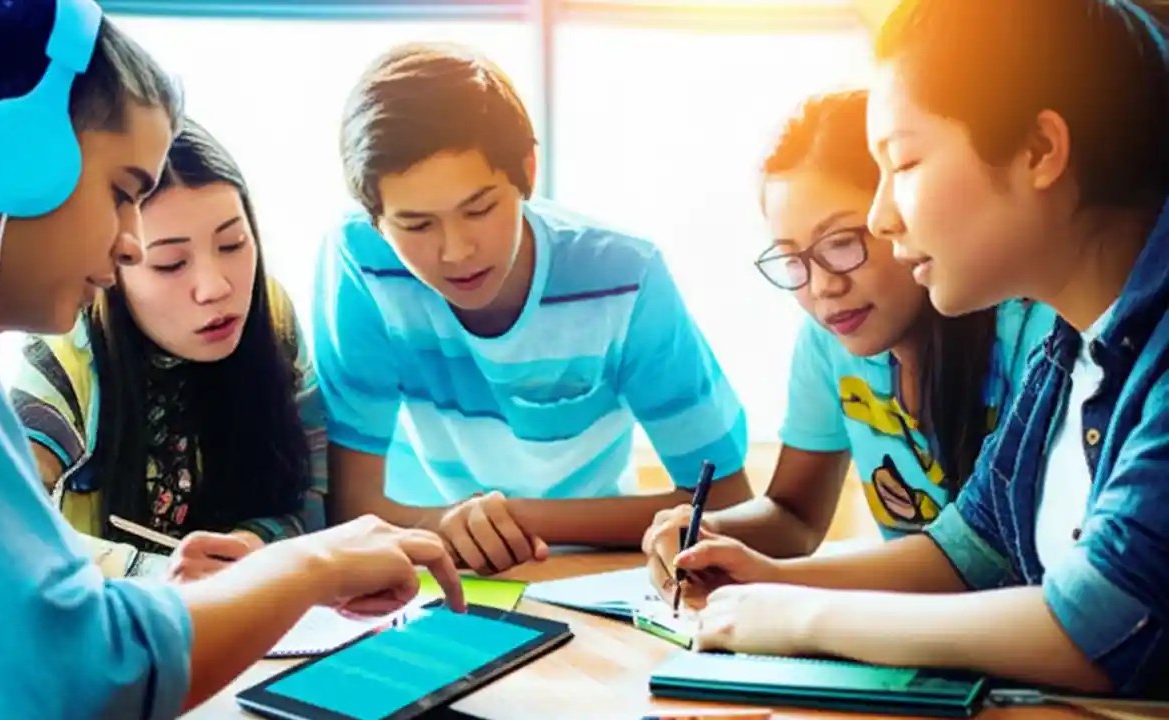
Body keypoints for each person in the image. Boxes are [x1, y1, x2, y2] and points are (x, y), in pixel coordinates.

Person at [0, 2, 461, 718]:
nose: (129, 241)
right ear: (19, 159)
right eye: (124, 192)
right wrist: (307, 566)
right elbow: (67, 676)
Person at [664, 0, 1169, 695]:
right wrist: (770, 578)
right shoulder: (1069, 348)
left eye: (902, 163)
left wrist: (799, 614)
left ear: (1040, 151)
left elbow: (1096, 627)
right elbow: (969, 550)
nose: (881, 215)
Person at [315, 41, 753, 576]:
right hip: (420, 570)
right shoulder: (361, 261)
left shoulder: (624, 278)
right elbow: (351, 507)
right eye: (416, 226)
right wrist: (451, 527)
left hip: (590, 571)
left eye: (479, 209)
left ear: (528, 168)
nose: (455, 251)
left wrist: (513, 517)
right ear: (376, 217)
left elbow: (727, 503)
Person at [641, 90, 1053, 603]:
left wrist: (774, 580)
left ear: (899, 215)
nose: (821, 287)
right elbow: (796, 515)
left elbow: (985, 558)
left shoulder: (1034, 332)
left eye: (840, 243)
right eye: (793, 260)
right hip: (909, 642)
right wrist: (712, 532)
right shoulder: (827, 340)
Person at [10, 118, 326, 582]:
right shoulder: (65, 351)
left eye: (233, 243)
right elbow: (7, 524)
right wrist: (161, 573)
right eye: (171, 263)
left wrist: (253, 545)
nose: (216, 287)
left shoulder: (269, 314)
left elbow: (313, 491)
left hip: (256, 629)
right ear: (112, 268)